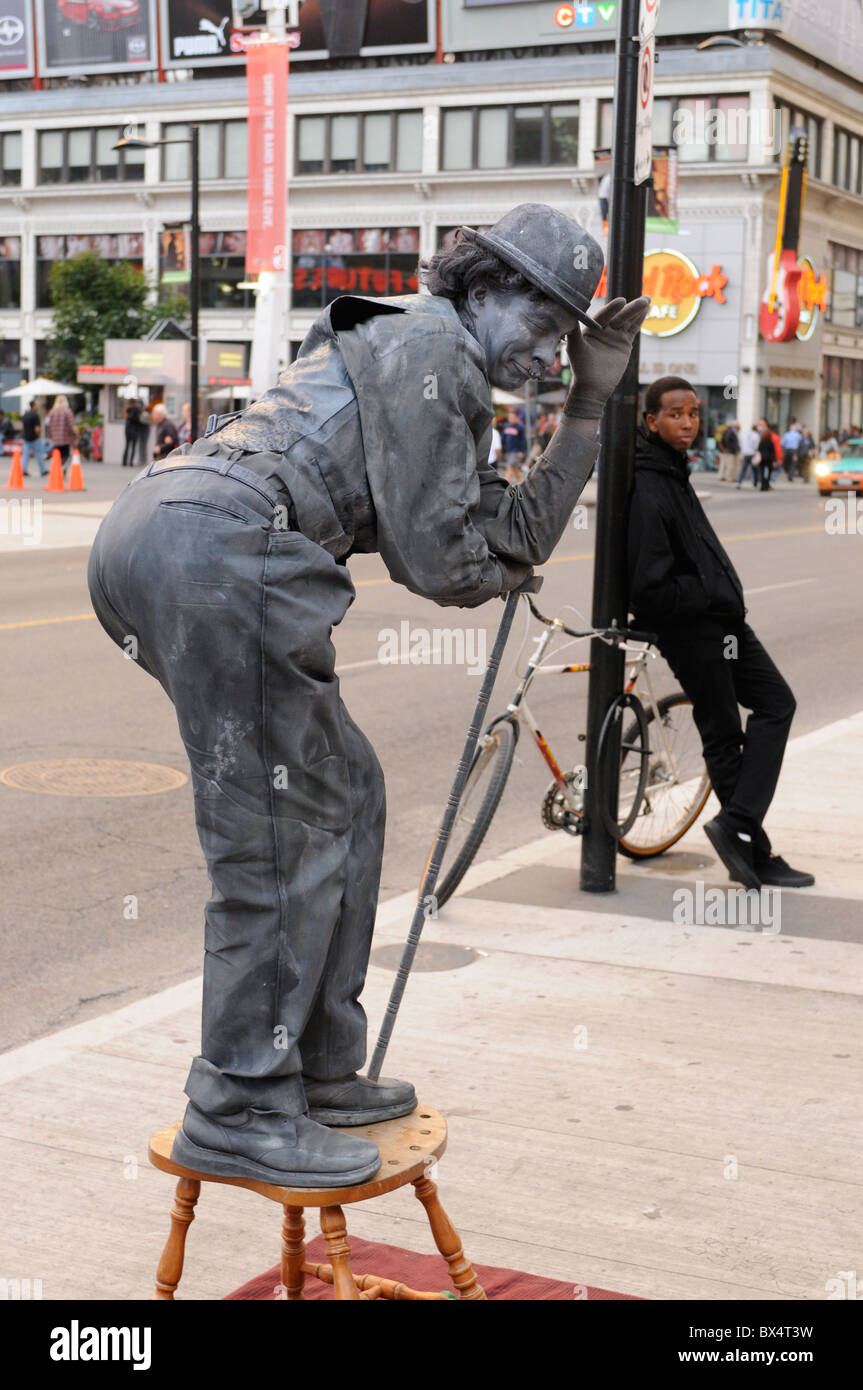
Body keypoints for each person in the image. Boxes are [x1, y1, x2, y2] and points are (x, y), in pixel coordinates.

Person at [88, 202, 648, 1188]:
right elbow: (452, 564)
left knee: (345, 796)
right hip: (221, 548)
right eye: (546, 326)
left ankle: (310, 1063)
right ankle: (238, 1100)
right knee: (280, 833)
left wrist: (589, 405)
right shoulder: (430, 354)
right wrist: (504, 537)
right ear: (481, 293)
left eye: (568, 338)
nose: (552, 357)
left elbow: (502, 536)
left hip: (179, 539)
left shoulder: (410, 348)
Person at [627, 377, 814, 894]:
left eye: (692, 413)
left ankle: (739, 828)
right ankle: (755, 847)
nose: (688, 422)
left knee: (776, 705)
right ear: (650, 421)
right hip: (695, 631)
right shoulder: (647, 484)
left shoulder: (672, 472)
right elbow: (649, 588)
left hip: (723, 625)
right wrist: (708, 591)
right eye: (674, 414)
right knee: (724, 735)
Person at [46, 395, 77, 470]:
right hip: (65, 438)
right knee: (65, 454)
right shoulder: (67, 411)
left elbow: (47, 424)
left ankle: (57, 468)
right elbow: (71, 425)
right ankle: (62, 467)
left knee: (57, 454)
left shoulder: (52, 412)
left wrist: (50, 435)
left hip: (55, 438)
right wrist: (75, 434)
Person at [20, 399, 47, 477]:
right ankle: (43, 470)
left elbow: (22, 426)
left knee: (25, 455)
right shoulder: (35, 415)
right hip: (34, 438)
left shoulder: (25, 414)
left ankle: (23, 470)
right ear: (34, 405)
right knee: (39, 454)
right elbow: (37, 428)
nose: (38, 406)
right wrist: (38, 435)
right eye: (37, 405)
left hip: (26, 437)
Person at [500, 408, 527, 484]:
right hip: (508, 451)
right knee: (515, 469)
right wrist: (502, 448)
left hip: (516, 451)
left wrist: (521, 451)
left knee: (509, 468)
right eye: (510, 417)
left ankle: (504, 485)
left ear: (517, 418)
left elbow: (523, 440)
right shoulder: (506, 426)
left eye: (512, 417)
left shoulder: (520, 427)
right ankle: (520, 482)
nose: (510, 419)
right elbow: (503, 438)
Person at [736, 423, 761, 488]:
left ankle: (739, 482)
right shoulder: (756, 435)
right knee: (755, 469)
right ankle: (755, 483)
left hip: (746, 453)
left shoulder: (747, 435)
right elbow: (755, 445)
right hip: (752, 454)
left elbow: (742, 443)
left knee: (743, 469)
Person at [754, 419, 776, 491]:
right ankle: (766, 484)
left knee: (762, 472)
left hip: (762, 459)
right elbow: (773, 452)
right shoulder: (770, 443)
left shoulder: (762, 442)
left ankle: (763, 485)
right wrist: (774, 460)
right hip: (769, 459)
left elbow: (759, 450)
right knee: (769, 473)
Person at [123, 399, 143, 468]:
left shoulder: (127, 409)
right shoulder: (136, 409)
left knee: (127, 445)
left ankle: (124, 462)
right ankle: (130, 462)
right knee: (133, 446)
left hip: (127, 429)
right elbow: (137, 419)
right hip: (134, 429)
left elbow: (127, 418)